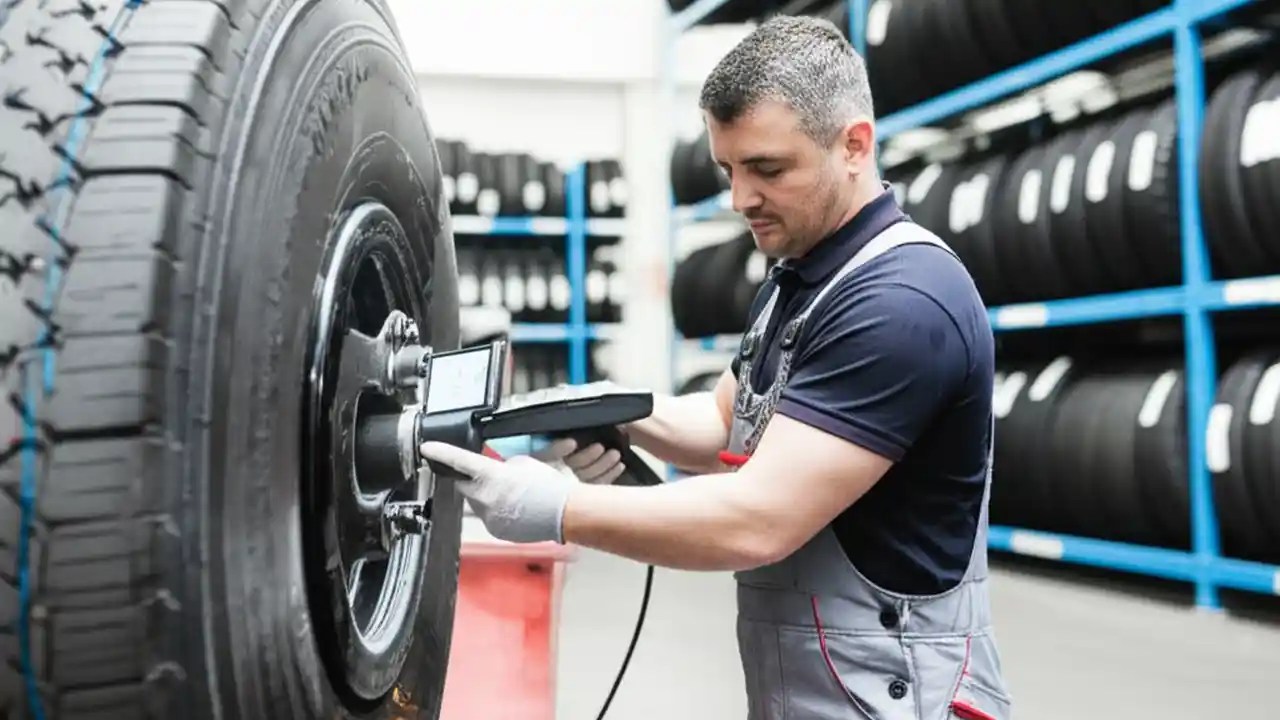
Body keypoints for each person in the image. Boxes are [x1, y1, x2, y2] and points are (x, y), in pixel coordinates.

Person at [421, 15, 1011, 720]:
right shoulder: (800, 279)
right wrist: (616, 411)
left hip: (898, 696)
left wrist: (556, 508)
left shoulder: (903, 304)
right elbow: (725, 422)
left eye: (767, 169)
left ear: (855, 145)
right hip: (815, 692)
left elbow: (757, 520)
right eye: (728, 170)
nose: (740, 200)